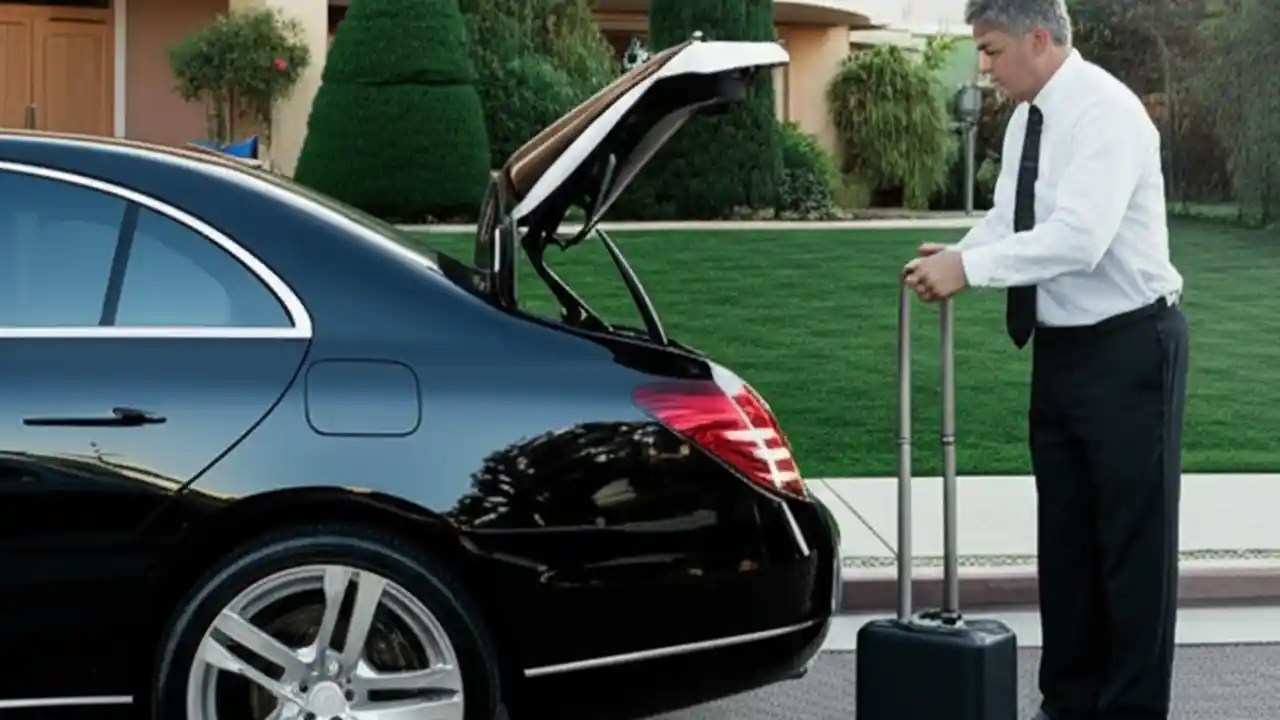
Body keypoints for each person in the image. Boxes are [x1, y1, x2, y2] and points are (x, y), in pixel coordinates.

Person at [900, 1, 1189, 719]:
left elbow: (1078, 238)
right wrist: (967, 251)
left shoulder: (1107, 114)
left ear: (1037, 38)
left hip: (1131, 349)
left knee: (1131, 548)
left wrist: (975, 270)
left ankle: (1128, 712)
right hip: (1061, 352)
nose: (984, 68)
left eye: (992, 51)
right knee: (1065, 541)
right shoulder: (1030, 116)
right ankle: (1067, 702)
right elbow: (1012, 219)